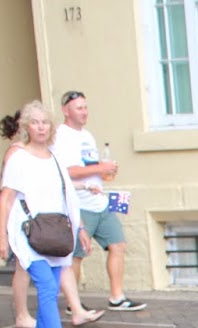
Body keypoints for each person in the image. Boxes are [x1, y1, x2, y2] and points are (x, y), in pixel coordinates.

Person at [0, 101, 86, 328]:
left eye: (45, 122)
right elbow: (6, 199)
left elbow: (67, 197)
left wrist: (80, 228)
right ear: (26, 127)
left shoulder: (55, 159)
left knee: (52, 287)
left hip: (55, 234)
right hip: (29, 233)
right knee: (46, 285)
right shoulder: (18, 158)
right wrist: (2, 238)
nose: (41, 127)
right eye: (34, 122)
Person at [53, 90, 146, 311]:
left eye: (85, 107)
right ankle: (72, 303)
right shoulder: (62, 136)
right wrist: (100, 168)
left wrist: (105, 172)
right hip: (79, 203)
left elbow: (90, 165)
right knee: (76, 255)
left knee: (118, 245)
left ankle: (117, 297)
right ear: (66, 111)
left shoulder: (87, 135)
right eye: (79, 108)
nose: (84, 112)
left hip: (100, 201)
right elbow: (69, 171)